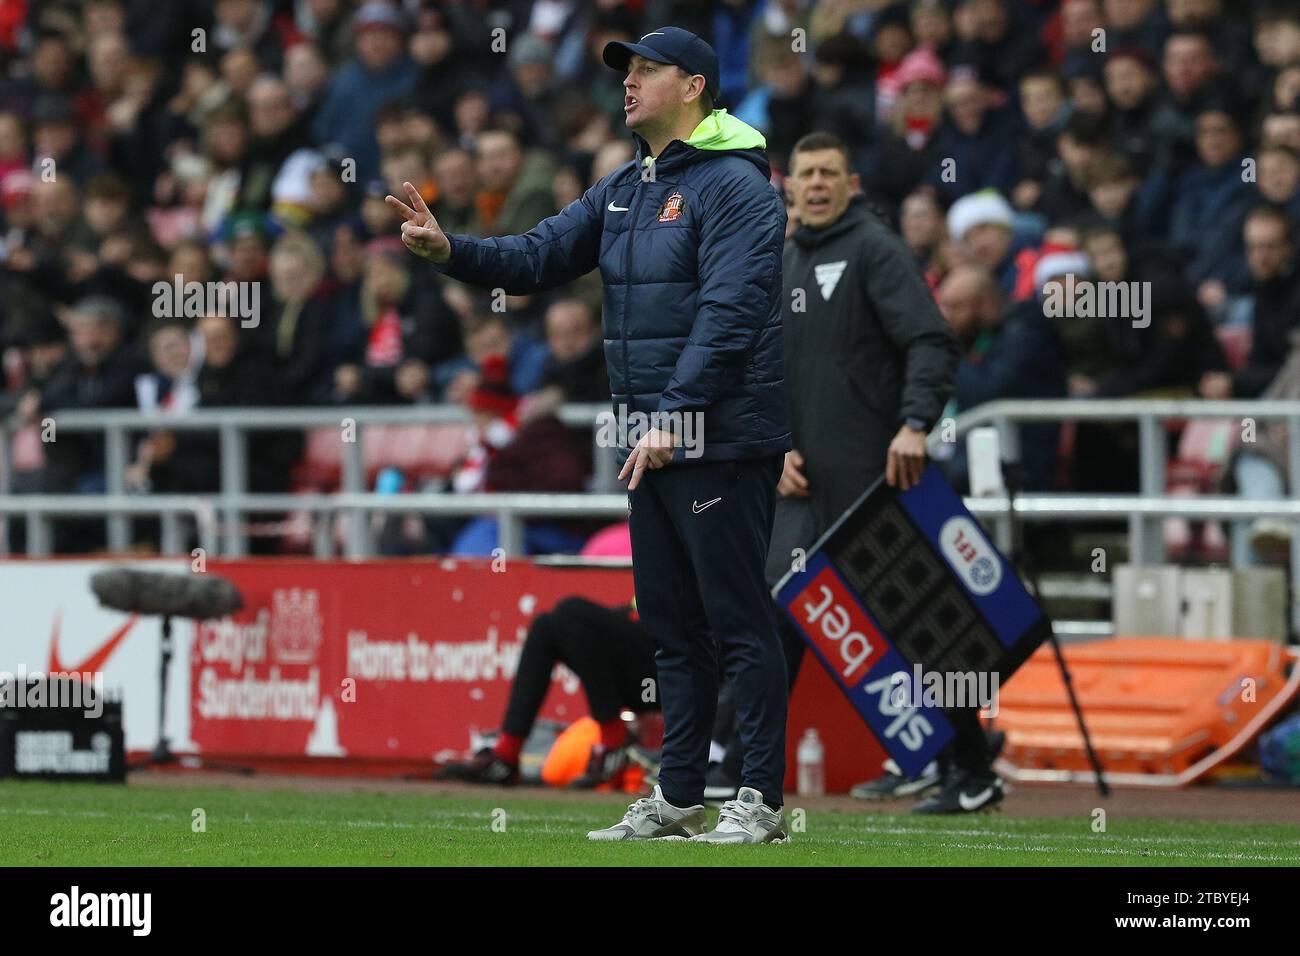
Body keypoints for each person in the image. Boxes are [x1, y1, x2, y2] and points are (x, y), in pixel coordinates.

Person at [387, 26, 791, 844]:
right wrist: (448, 250)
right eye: (627, 71)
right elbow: (538, 256)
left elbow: (731, 313)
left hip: (721, 437)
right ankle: (678, 795)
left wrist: (676, 413)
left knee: (738, 621)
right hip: (654, 439)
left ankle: (761, 801)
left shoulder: (738, 187)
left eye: (647, 70)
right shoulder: (624, 187)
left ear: (695, 86)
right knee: (673, 630)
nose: (630, 83)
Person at [774, 131, 1008, 815]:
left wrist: (914, 425)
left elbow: (931, 341)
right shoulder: (784, 261)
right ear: (788, 186)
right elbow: (771, 373)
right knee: (774, 619)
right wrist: (778, 444)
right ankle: (742, 769)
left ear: (852, 185)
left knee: (918, 628)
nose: (816, 184)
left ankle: (970, 768)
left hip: (877, 477)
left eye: (829, 172)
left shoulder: (874, 248)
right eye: (806, 173)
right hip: (803, 486)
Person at [438, 597, 657, 789]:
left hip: (675, 676)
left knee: (571, 611)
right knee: (547, 626)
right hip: (653, 661)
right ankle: (506, 756)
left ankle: (613, 742)